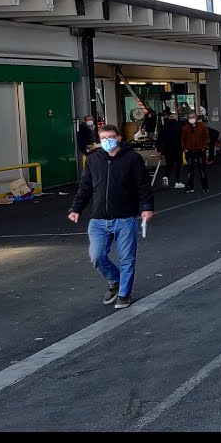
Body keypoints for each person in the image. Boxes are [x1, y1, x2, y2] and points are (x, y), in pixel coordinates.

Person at [68, 124, 155, 310]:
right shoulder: (93, 160)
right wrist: (76, 208)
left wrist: (146, 207)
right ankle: (114, 279)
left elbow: (143, 185)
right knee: (97, 256)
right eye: (103, 138)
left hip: (125, 218)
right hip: (99, 219)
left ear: (119, 138)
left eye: (111, 137)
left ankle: (124, 294)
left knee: (127, 258)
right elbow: (85, 187)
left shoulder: (132, 159)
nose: (107, 141)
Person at [180, 113, 211, 194]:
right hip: (190, 151)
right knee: (190, 170)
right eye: (189, 117)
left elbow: (206, 138)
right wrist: (184, 149)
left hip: (200, 151)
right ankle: (191, 186)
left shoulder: (202, 127)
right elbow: (182, 139)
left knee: (201, 169)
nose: (191, 119)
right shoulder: (185, 128)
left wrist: (204, 148)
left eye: (192, 117)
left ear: (196, 118)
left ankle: (204, 186)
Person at [157, 110, 185, 189]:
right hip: (177, 148)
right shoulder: (179, 126)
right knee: (178, 165)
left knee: (169, 164)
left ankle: (166, 177)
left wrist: (159, 150)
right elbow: (182, 138)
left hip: (167, 149)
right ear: (175, 118)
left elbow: (160, 139)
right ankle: (177, 181)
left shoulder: (164, 127)